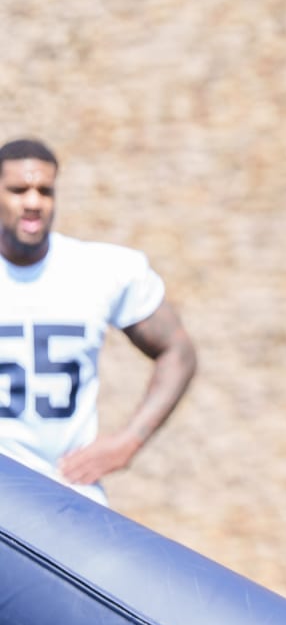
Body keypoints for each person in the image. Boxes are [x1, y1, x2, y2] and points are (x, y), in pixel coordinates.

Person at [0, 137, 197, 506]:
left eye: (44, 191)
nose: (33, 202)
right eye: (18, 190)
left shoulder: (99, 270)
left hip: (68, 494)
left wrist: (128, 442)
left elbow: (178, 350)